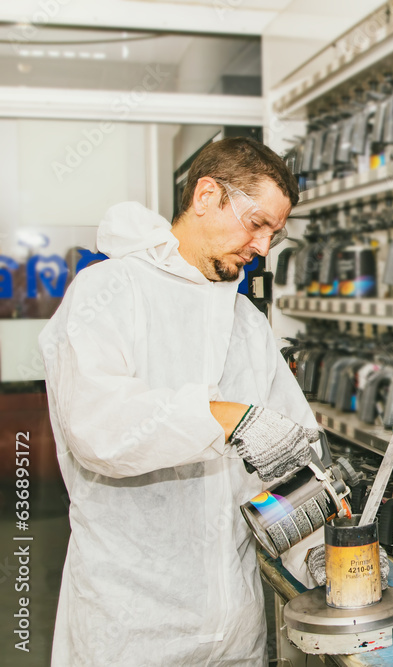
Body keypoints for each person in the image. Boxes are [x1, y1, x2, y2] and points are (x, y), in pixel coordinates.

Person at [39, 137, 318, 666]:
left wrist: (316, 550)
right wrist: (226, 418)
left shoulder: (245, 323)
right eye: (257, 223)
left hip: (233, 623)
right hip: (131, 624)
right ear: (207, 195)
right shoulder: (110, 291)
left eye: (275, 234)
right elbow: (98, 428)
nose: (263, 247)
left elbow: (289, 458)